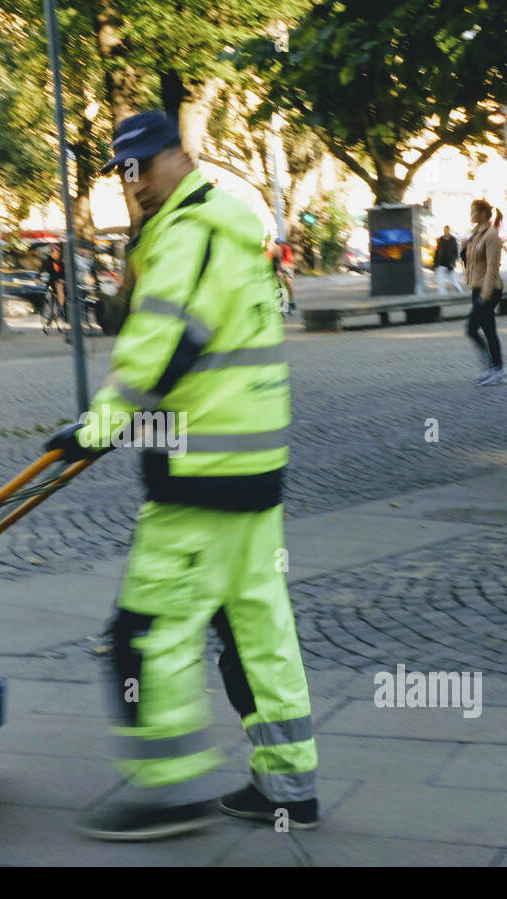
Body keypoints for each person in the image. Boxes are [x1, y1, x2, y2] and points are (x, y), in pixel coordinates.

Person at [45, 110, 318, 841]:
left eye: (142, 165)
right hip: (251, 463)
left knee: (145, 633)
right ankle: (290, 784)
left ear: (178, 156)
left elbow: (165, 348)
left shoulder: (189, 231)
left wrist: (95, 430)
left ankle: (166, 791)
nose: (132, 183)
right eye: (123, 170)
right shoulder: (227, 222)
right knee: (256, 626)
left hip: (203, 472)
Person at [464, 199, 505, 385]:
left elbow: (492, 268)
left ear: (481, 214)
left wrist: (485, 295)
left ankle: (493, 368)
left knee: (471, 328)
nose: (471, 214)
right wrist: (463, 248)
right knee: (489, 331)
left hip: (489, 289)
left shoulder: (491, 236)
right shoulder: (475, 236)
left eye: (473, 211)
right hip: (477, 287)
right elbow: (470, 264)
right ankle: (497, 369)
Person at [432, 225, 462, 292]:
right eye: (444, 230)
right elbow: (437, 252)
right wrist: (434, 264)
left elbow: (456, 253)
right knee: (440, 283)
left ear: (449, 230)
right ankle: (442, 298)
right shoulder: (440, 239)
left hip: (450, 265)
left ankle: (461, 293)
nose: (445, 231)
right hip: (441, 264)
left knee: (454, 282)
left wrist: (453, 262)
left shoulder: (453, 240)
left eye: (447, 230)